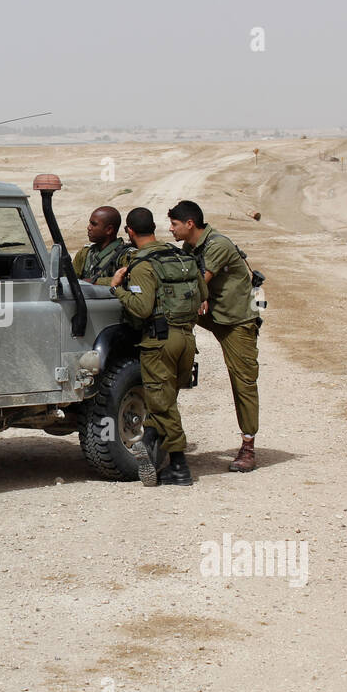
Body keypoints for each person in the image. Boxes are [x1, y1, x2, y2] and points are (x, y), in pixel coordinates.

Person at [108, 207, 208, 487]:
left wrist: (117, 288)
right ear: (154, 227)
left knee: (162, 404)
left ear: (129, 231)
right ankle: (149, 440)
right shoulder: (181, 255)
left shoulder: (143, 264)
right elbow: (203, 293)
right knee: (164, 399)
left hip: (159, 343)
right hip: (187, 340)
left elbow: (141, 308)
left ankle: (179, 467)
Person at [168, 200, 261, 472]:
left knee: (243, 380)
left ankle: (248, 446)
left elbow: (195, 282)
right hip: (212, 313)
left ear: (190, 224)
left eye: (174, 224)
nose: (171, 230)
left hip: (236, 320)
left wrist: (199, 293)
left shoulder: (217, 245)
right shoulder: (190, 246)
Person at [72, 206, 131, 283]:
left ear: (109, 230)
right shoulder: (85, 253)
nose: (89, 228)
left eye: (94, 224)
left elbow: (129, 281)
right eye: (90, 223)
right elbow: (70, 280)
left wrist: (95, 282)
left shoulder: (125, 256)